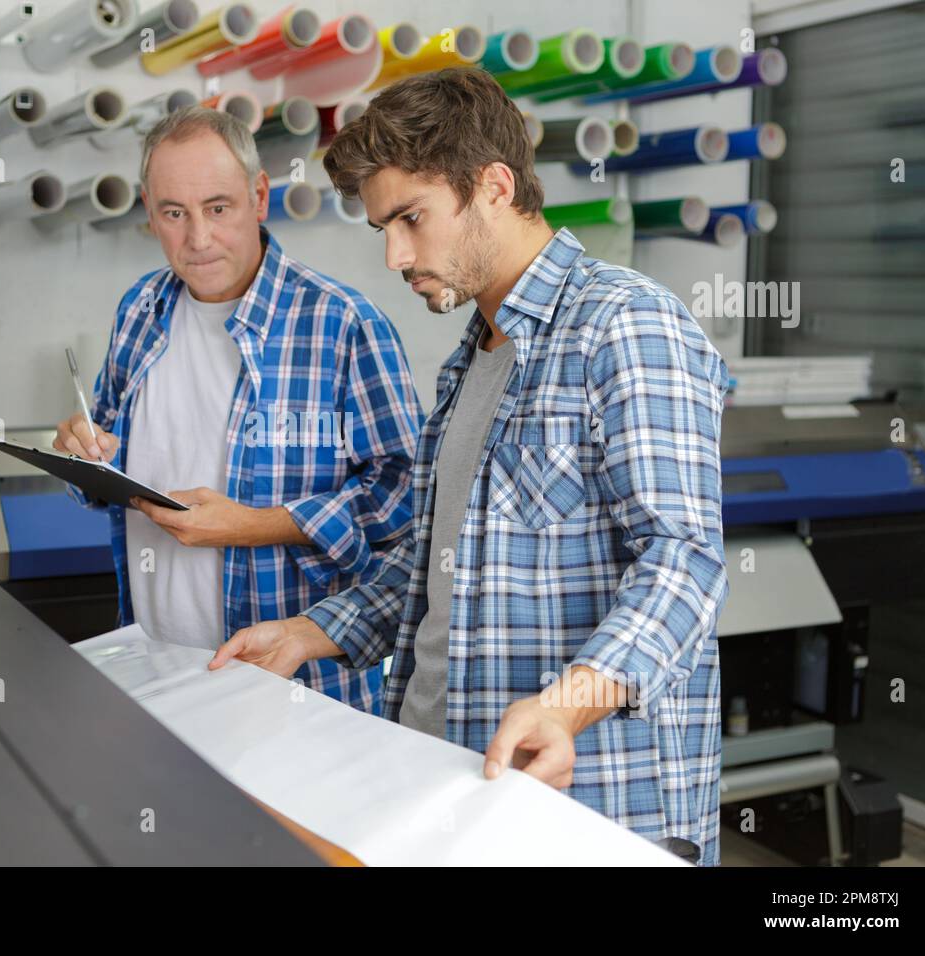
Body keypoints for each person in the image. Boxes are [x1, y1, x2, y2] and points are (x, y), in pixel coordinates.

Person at [212, 69, 729, 863]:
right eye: (383, 227)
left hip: (579, 808)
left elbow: (684, 564)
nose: (394, 255)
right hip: (444, 784)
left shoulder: (625, 325)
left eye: (411, 219)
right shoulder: (470, 361)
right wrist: (309, 632)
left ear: (493, 186)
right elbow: (434, 568)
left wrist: (567, 705)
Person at [56, 106, 422, 713]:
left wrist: (254, 525)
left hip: (294, 694)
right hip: (153, 669)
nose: (197, 238)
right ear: (149, 211)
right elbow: (109, 461)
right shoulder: (140, 309)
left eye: (218, 208)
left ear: (258, 197)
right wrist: (83, 450)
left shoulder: (341, 324)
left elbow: (408, 500)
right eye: (174, 213)